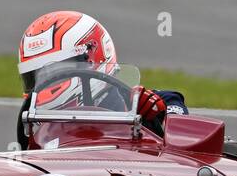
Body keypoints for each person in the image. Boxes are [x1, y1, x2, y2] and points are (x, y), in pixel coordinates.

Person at [16, 11, 187, 140]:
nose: (44, 83)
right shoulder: (35, 125)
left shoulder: (147, 105)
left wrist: (154, 122)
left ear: (93, 60)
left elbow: (182, 146)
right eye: (34, 77)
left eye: (55, 72)